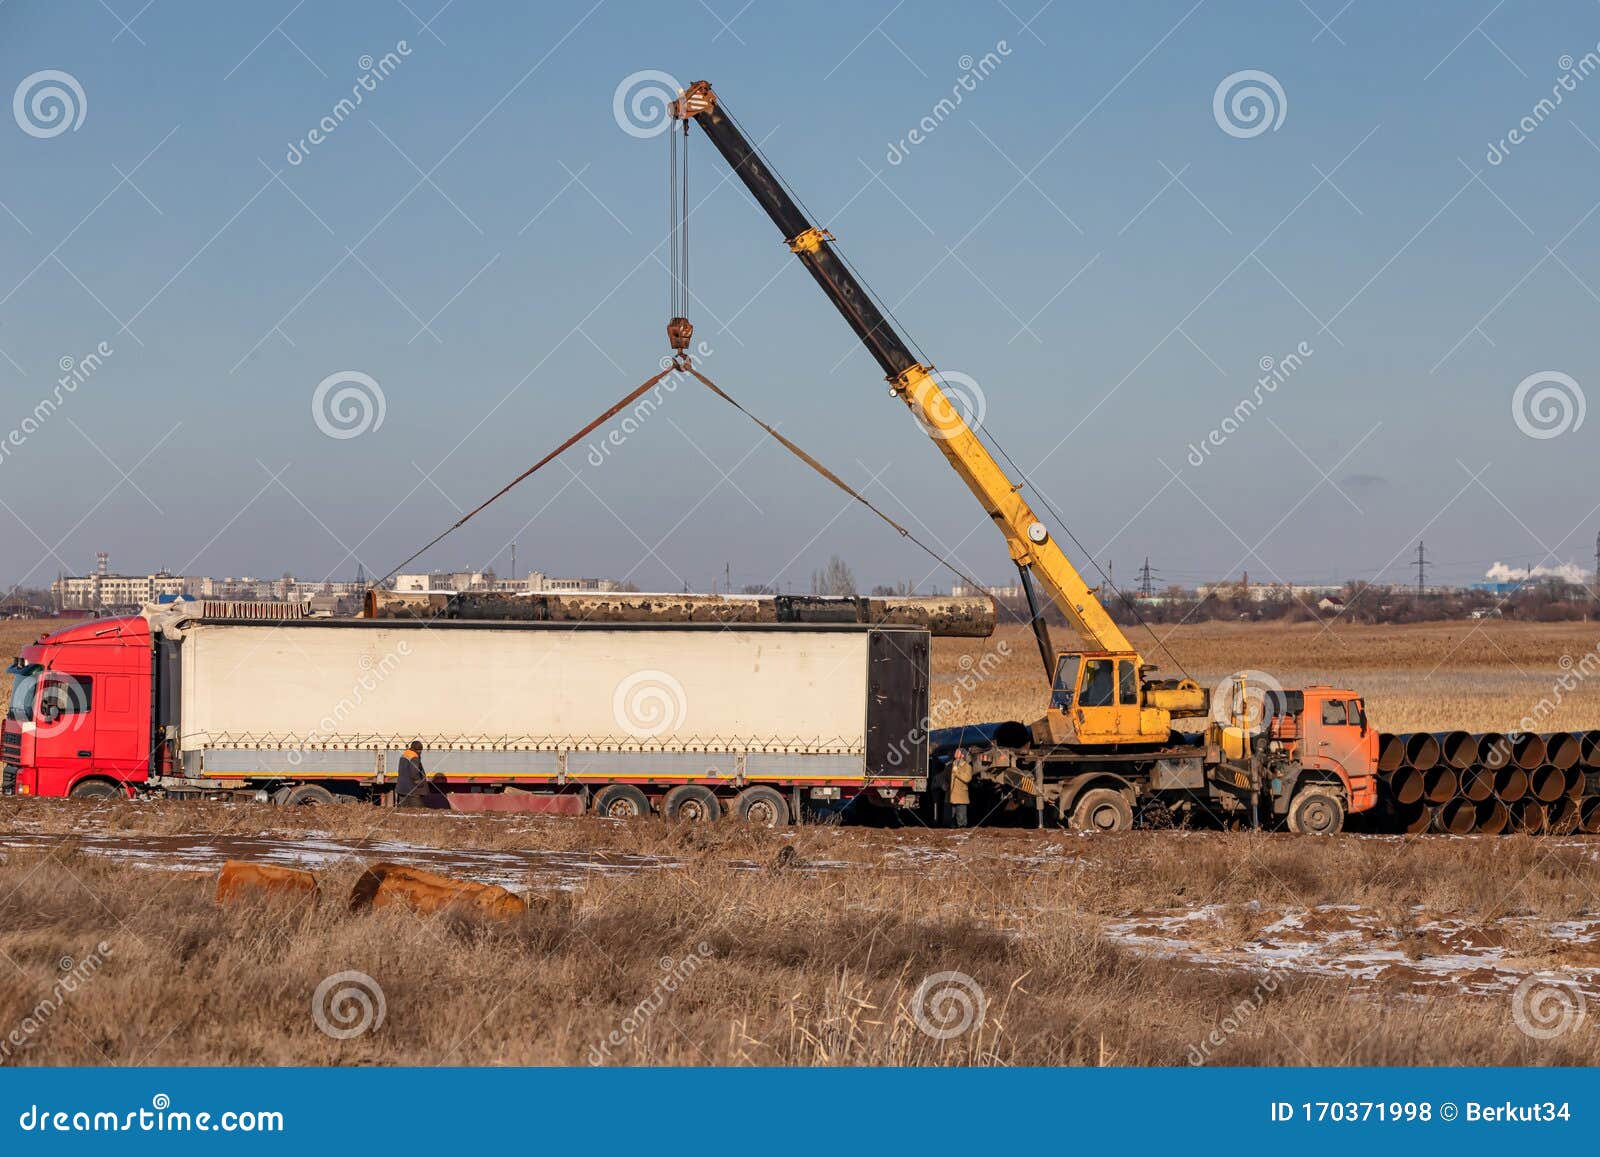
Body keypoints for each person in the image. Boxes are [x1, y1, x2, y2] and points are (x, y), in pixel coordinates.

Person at [396, 739, 435, 808]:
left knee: (403, 810)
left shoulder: (405, 754)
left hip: (402, 788)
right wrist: (419, 783)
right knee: (417, 810)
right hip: (412, 789)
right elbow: (414, 772)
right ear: (418, 750)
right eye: (420, 750)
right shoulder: (414, 757)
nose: (420, 752)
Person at [948, 748, 972, 829]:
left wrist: (957, 771)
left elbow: (967, 778)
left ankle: (962, 831)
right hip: (951, 795)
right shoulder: (951, 765)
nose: (955, 752)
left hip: (961, 795)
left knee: (961, 819)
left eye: (957, 752)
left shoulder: (967, 766)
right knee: (952, 818)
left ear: (962, 755)